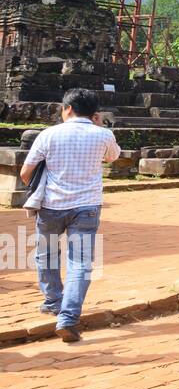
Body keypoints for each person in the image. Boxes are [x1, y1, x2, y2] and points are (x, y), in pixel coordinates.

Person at [19, 88, 121, 342]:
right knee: (80, 263)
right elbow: (113, 157)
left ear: (68, 109)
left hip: (51, 206)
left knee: (46, 255)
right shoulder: (103, 134)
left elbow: (25, 173)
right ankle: (68, 317)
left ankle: (54, 301)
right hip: (87, 207)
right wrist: (98, 126)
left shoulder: (48, 134)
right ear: (94, 113)